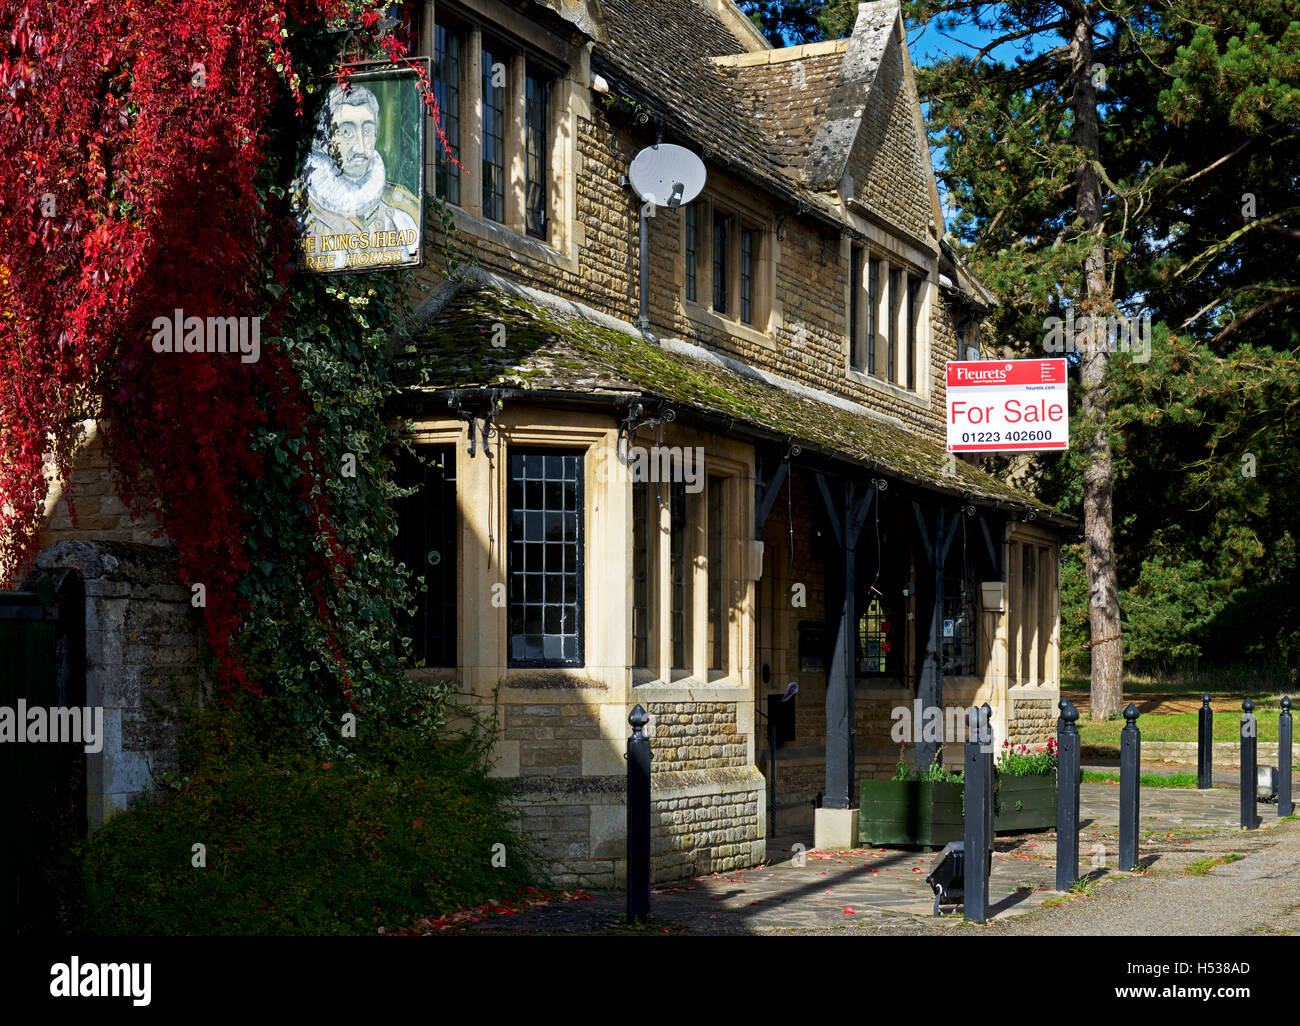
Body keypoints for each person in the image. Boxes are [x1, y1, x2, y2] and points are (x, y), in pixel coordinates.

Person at [297, 84, 420, 271]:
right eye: (347, 132)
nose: (360, 147)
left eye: (368, 131)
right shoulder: (298, 204)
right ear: (326, 139)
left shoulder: (402, 216)